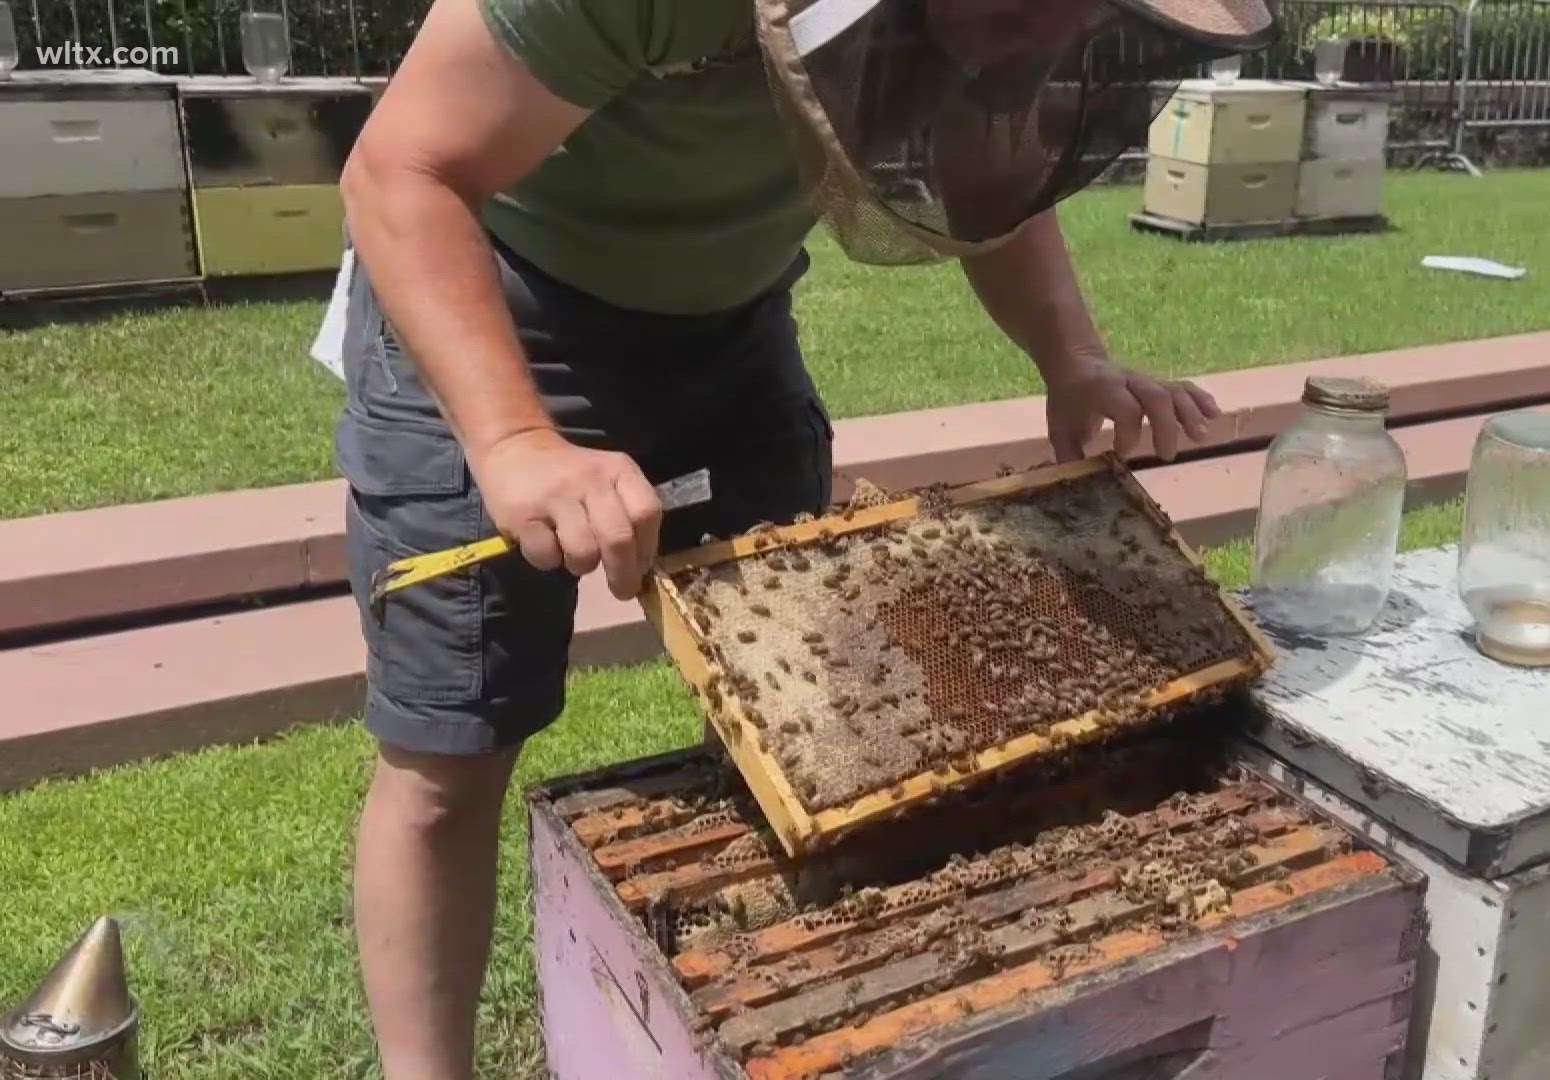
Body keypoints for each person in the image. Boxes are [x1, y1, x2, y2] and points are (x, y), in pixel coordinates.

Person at [333, 0, 1274, 1073]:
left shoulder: (1001, 27)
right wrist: (510, 441)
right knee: (448, 751)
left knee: (821, 707)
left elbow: (989, 175)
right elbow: (402, 172)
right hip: (494, 296)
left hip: (733, 326)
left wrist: (1074, 358)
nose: (1043, 41)